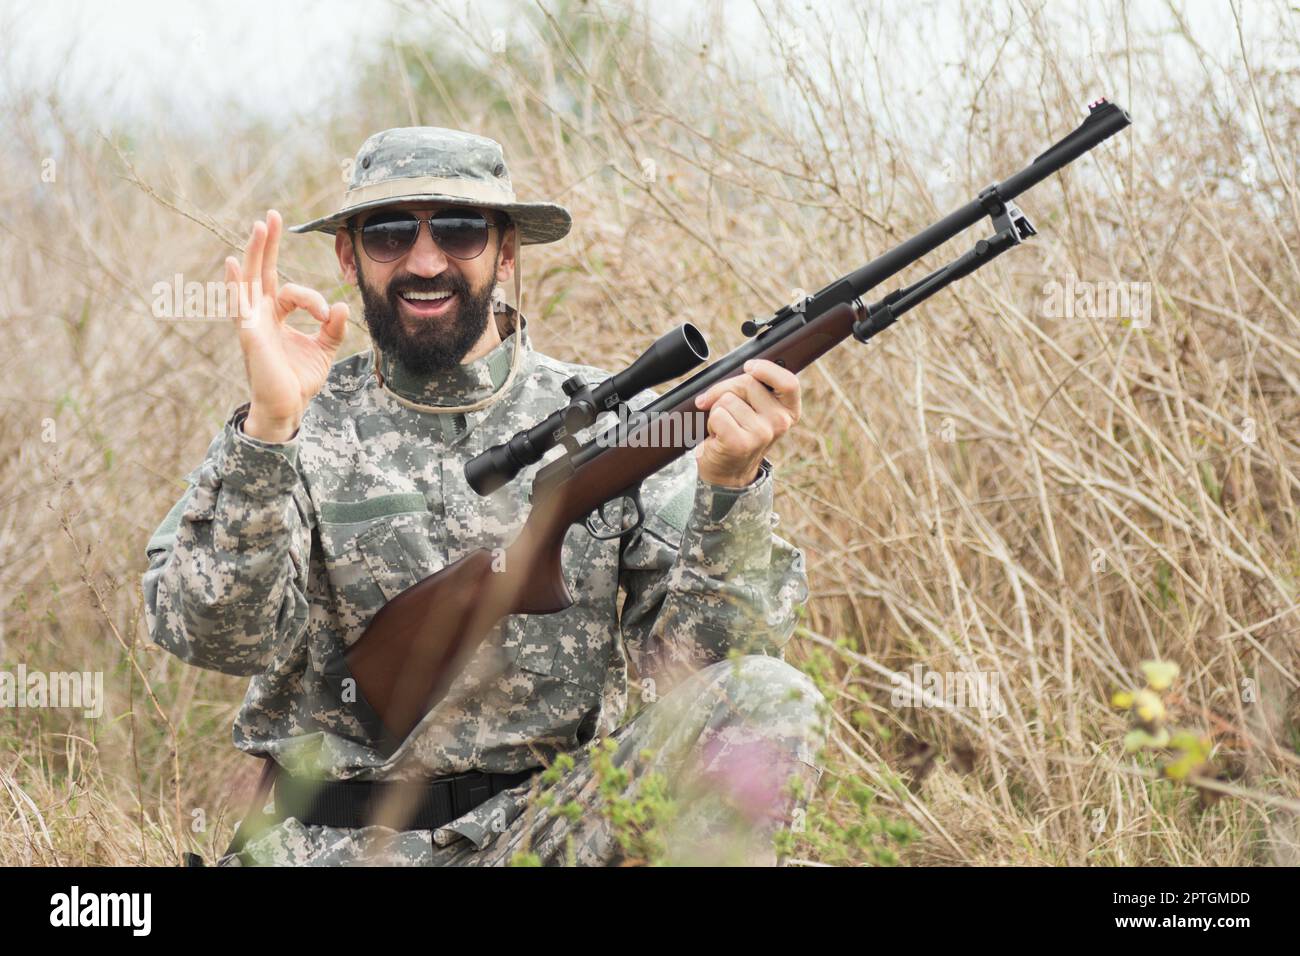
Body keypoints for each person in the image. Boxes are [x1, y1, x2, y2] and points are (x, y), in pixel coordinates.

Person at [142, 126, 829, 866]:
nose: (427, 260)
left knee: (769, 696)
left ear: (506, 252)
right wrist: (269, 428)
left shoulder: (616, 427)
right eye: (390, 233)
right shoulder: (296, 424)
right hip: (330, 845)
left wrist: (729, 489)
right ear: (348, 256)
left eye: (462, 230)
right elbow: (213, 636)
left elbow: (707, 668)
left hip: (545, 832)